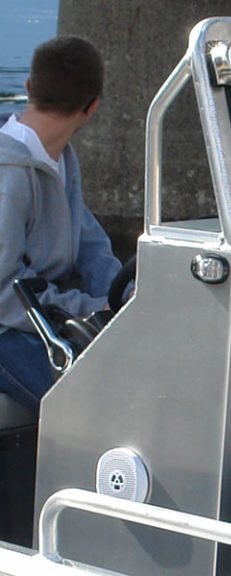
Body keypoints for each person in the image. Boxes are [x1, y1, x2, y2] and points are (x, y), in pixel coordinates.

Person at [0, 35, 122, 412]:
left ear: (29, 86)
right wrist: (89, 307)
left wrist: (125, 296)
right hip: (7, 327)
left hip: (41, 314)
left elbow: (90, 242)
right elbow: (3, 292)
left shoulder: (61, 157)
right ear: (92, 106)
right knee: (84, 411)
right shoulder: (8, 172)